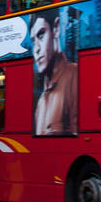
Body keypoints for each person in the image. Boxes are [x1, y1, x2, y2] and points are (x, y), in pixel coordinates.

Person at [30, 9, 78, 137]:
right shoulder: (40, 103)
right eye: (33, 41)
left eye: (41, 35)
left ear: (56, 29)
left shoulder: (74, 76)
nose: (36, 49)